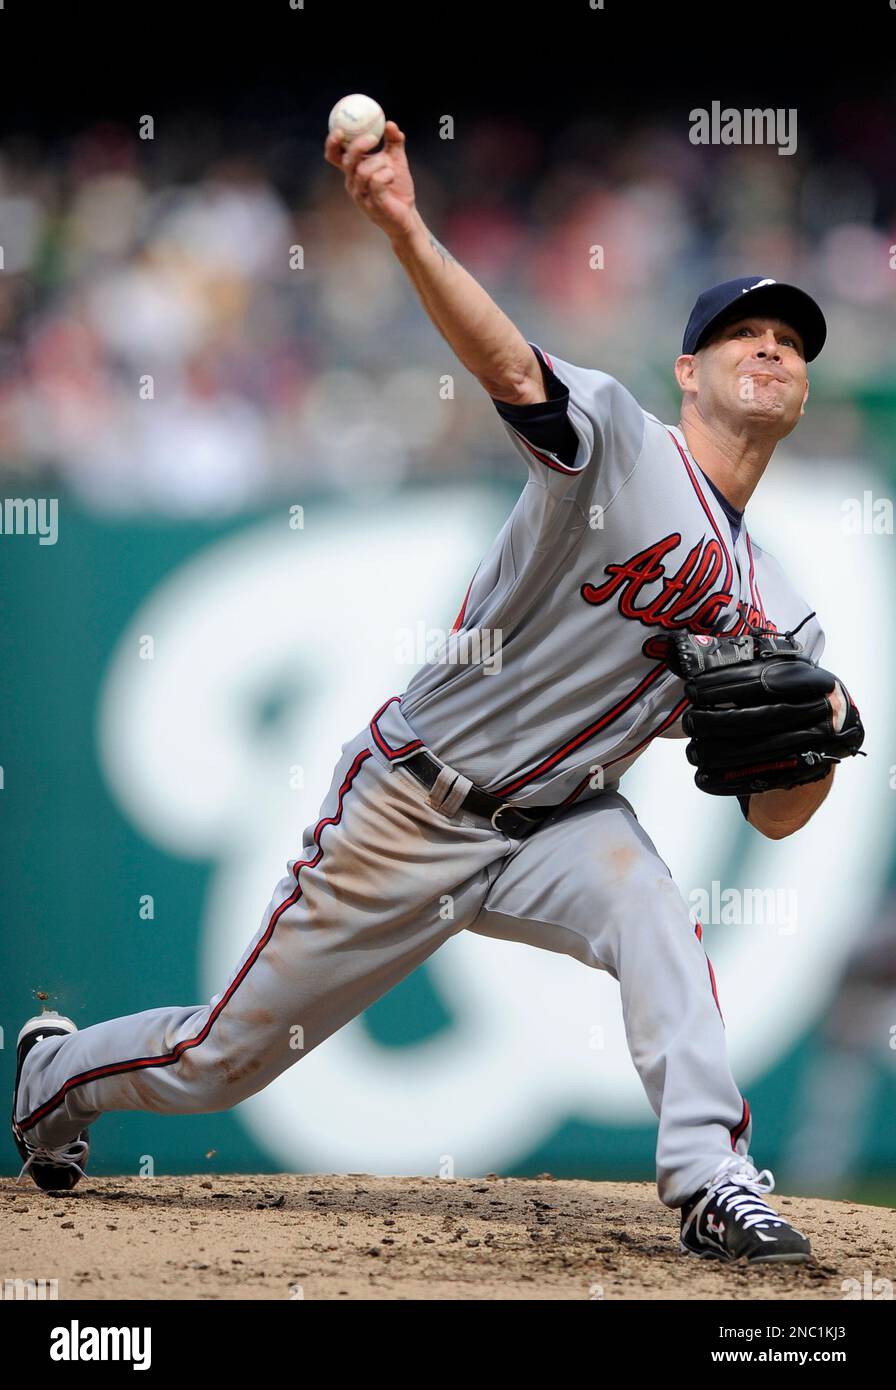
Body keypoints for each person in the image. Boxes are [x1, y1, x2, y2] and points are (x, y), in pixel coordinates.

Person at [12, 118, 864, 1266]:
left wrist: (828, 734)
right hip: (415, 804)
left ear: (804, 388)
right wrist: (401, 224)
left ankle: (712, 1177)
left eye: (787, 343)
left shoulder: (776, 603)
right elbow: (509, 365)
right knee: (220, 1060)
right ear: (686, 368)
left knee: (656, 913)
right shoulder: (619, 437)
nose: (768, 350)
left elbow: (772, 812)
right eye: (740, 334)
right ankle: (55, 1073)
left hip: (561, 823)